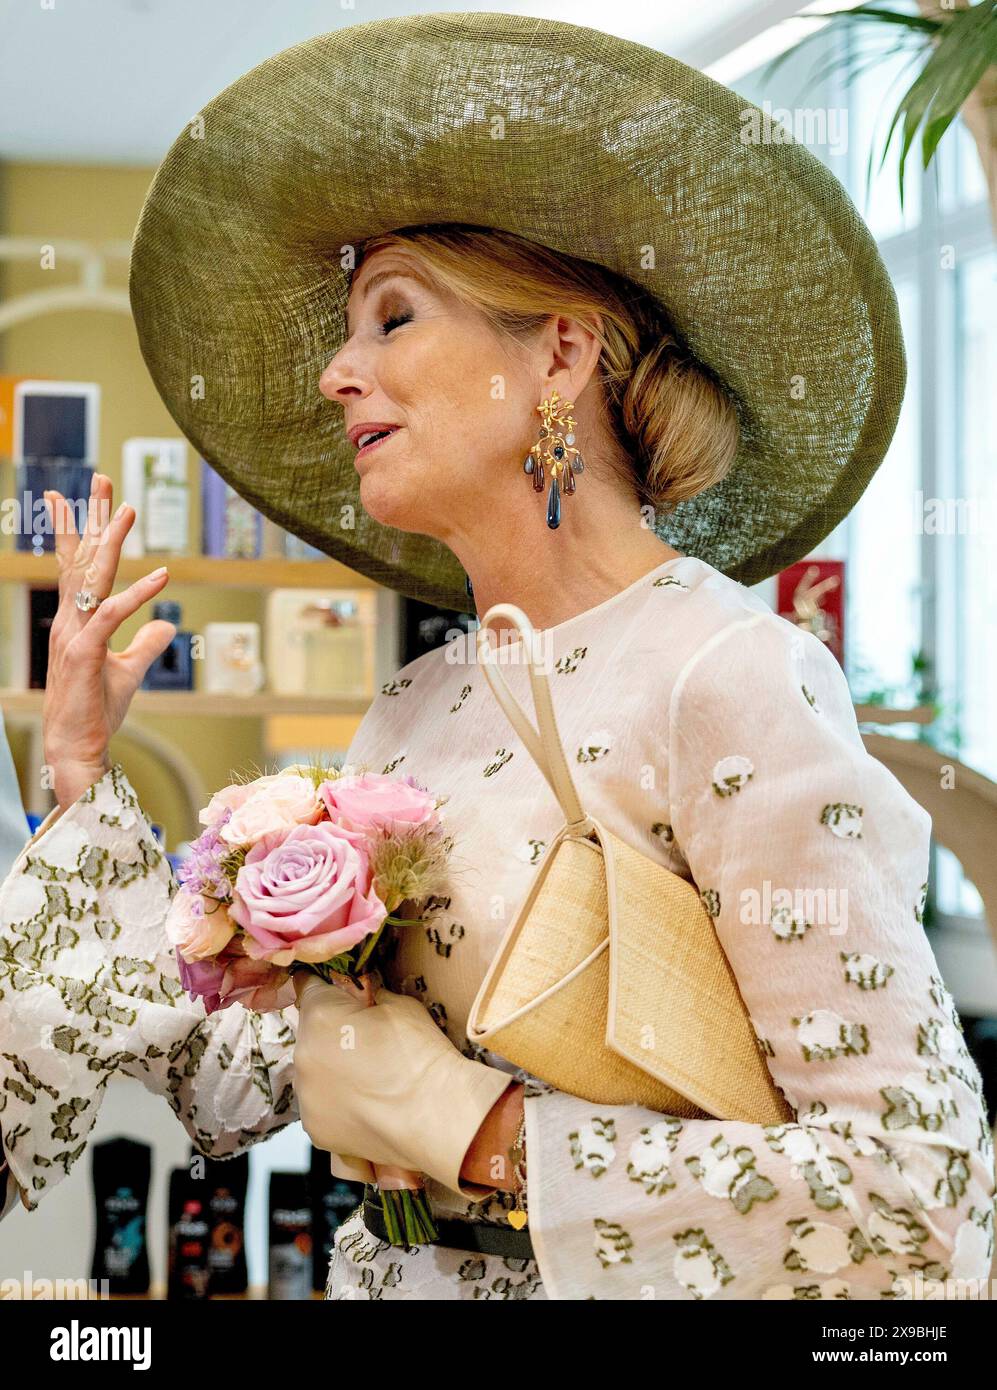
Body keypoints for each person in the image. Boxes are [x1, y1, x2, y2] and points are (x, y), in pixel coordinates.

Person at [1, 14, 993, 1299]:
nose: (334, 375)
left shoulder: (726, 673)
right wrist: (79, 762)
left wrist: (483, 1135)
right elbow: (240, 1077)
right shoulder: (417, 702)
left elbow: (916, 1196)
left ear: (560, 353)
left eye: (392, 316)